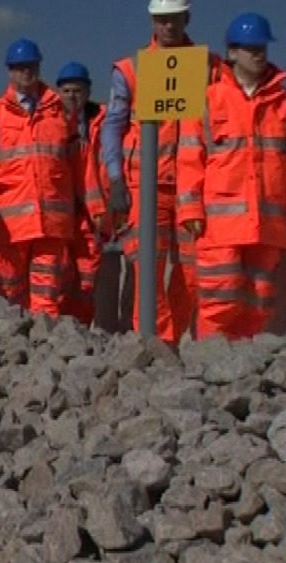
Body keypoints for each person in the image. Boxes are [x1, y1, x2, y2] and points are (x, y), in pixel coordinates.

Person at [101, 0, 222, 346]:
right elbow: (113, 125)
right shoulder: (132, 68)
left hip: (193, 186)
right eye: (161, 20)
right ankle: (157, 346)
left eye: (174, 20)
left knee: (194, 272)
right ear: (152, 22)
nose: (168, 27)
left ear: (186, 18)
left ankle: (173, 339)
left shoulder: (209, 67)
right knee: (147, 274)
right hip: (145, 184)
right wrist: (115, 178)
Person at [177, 12, 286, 340]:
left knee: (259, 301)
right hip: (219, 225)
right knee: (219, 299)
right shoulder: (210, 100)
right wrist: (190, 209)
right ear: (232, 52)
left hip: (269, 223)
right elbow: (189, 159)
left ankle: (246, 373)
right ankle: (208, 366)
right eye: (249, 47)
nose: (258, 53)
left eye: (262, 47)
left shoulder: (281, 100)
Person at [0, 38, 86, 318]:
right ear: (9, 71)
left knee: (46, 296)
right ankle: (12, 352)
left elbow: (77, 163)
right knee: (10, 294)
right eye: (19, 67)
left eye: (30, 66)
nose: (26, 72)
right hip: (12, 225)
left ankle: (44, 352)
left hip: (52, 223)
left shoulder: (60, 110)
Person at [56, 62, 107, 326]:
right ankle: (59, 334)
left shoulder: (103, 120)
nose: (72, 96)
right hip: (61, 213)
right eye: (66, 91)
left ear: (87, 91)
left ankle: (83, 330)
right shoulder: (51, 124)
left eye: (77, 90)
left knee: (88, 278)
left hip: (91, 213)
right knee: (59, 276)